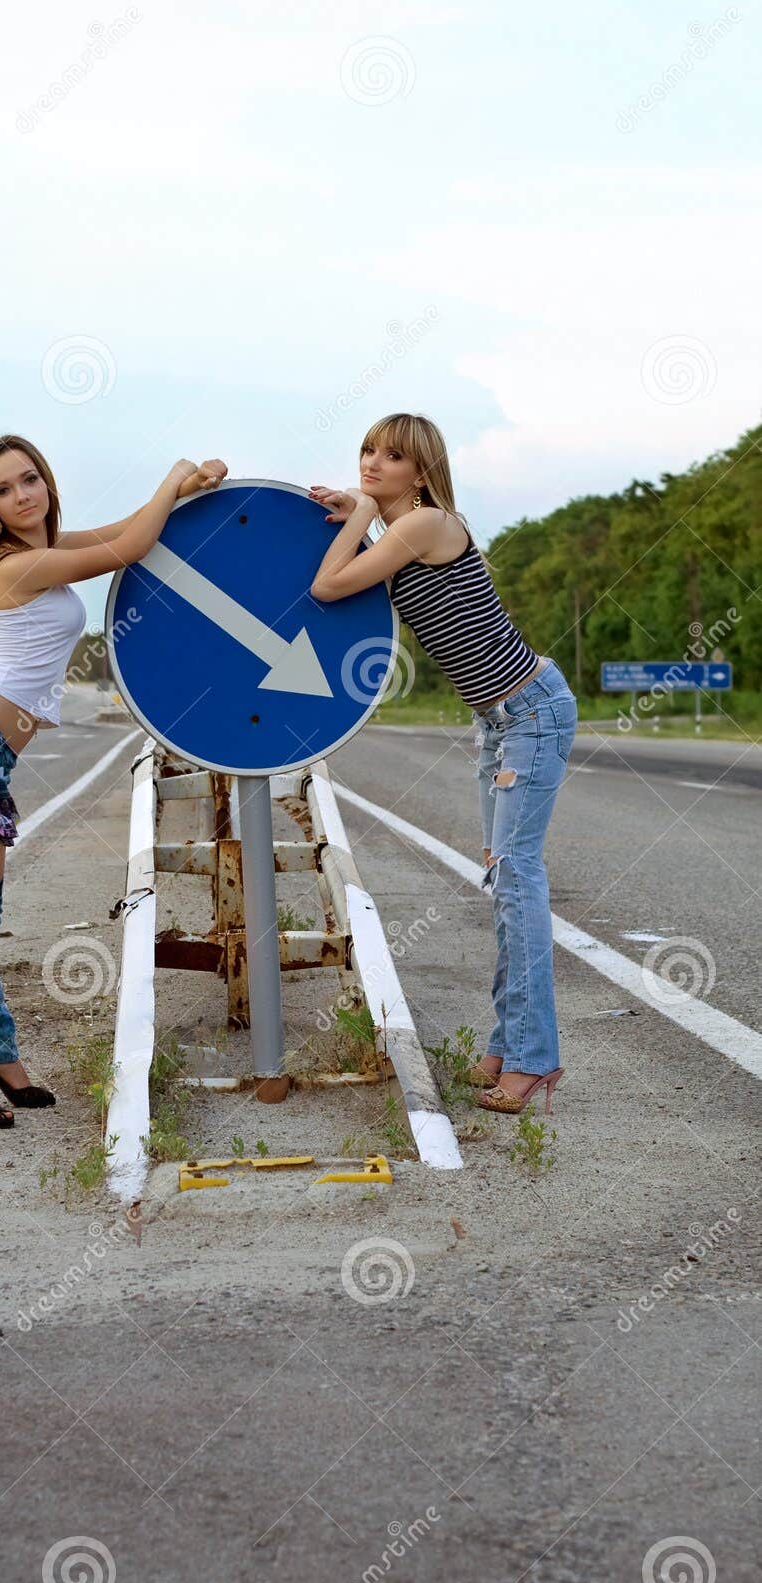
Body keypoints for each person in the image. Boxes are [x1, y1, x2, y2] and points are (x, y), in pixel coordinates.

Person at [0, 434, 227, 1128]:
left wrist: (182, 493)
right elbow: (130, 548)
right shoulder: (15, 565)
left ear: (46, 483)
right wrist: (174, 469)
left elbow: (127, 528)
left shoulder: (45, 549)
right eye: (3, 489)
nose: (22, 495)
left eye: (30, 479)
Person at [308, 412, 576, 1116]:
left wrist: (358, 512)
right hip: (498, 724)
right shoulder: (402, 533)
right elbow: (352, 574)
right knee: (505, 882)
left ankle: (534, 1059)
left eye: (391, 456)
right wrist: (361, 514)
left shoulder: (424, 524)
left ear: (421, 472)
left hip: (531, 713)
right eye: (367, 449)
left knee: (517, 880)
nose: (371, 463)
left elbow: (329, 585)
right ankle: (507, 1045)